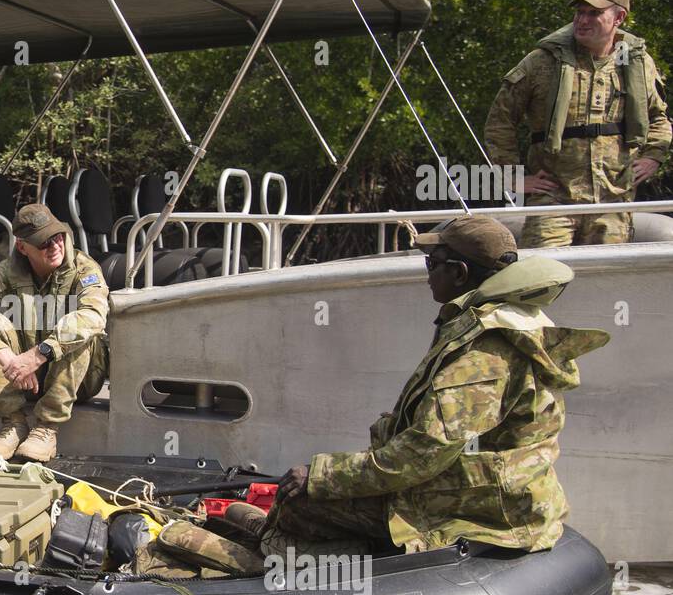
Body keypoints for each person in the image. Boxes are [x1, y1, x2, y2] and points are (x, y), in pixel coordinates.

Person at [243, 217, 609, 561]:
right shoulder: (506, 321)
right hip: (499, 493)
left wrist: (322, 475)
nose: (428, 275)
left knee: (300, 504)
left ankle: (286, 570)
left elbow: (422, 455)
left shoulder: (483, 356)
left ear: (459, 272)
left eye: (432, 264)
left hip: (485, 509)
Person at [485, 0, 670, 247]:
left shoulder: (637, 64)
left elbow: (658, 118)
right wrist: (511, 176)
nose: (583, 20)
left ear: (619, 17)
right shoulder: (542, 62)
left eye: (594, 13)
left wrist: (653, 156)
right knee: (543, 276)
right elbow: (500, 119)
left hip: (612, 199)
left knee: (606, 281)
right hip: (553, 199)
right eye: (579, 13)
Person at [0, 203, 109, 463]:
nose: (55, 246)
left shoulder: (84, 269)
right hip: (21, 376)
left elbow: (94, 315)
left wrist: (40, 353)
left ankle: (47, 429)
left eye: (58, 237)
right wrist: (7, 357)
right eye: (43, 243)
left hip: (80, 378)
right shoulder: (6, 271)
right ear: (22, 247)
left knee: (81, 329)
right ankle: (13, 424)